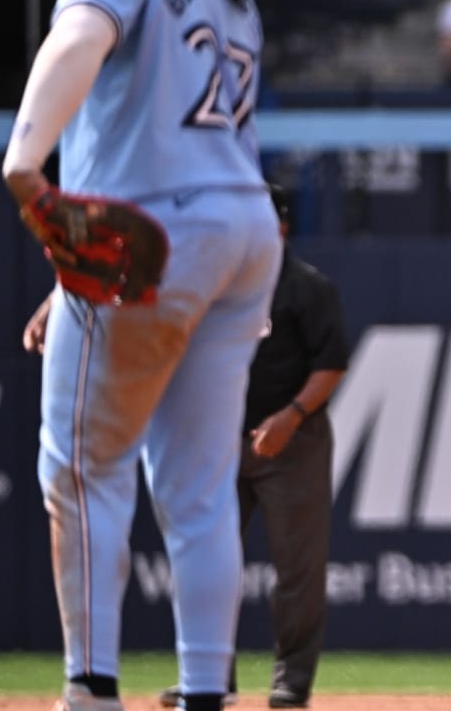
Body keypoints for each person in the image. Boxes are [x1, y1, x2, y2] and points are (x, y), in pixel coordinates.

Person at [2, 0, 282, 710]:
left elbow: (80, 36)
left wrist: (25, 159)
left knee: (84, 469)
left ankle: (90, 689)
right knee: (198, 491)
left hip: (156, 227)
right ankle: (205, 691)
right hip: (240, 229)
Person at [155, 185, 350, 709]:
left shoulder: (307, 288)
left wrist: (291, 416)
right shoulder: (216, 285)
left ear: (280, 228)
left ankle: (292, 680)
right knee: (205, 555)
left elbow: (330, 364)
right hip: (219, 439)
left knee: (298, 568)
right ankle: (207, 677)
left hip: (292, 442)